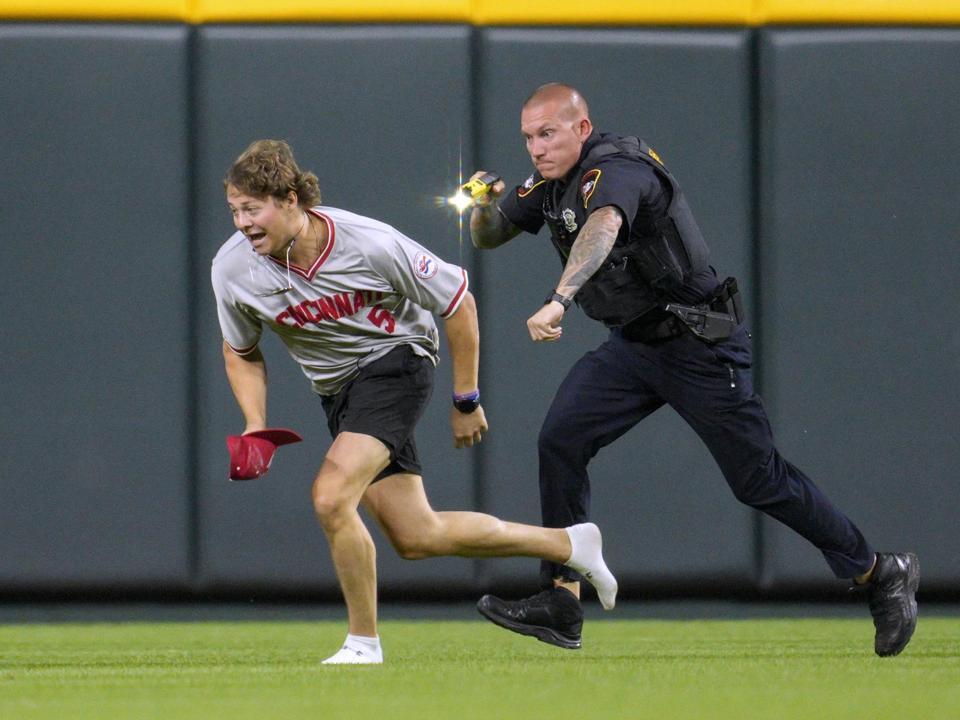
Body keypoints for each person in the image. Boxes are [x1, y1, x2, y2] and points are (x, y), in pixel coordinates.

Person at [468, 83, 919, 657]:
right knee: (561, 439)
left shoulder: (618, 168)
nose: (536, 148)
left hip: (698, 344)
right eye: (529, 137)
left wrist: (560, 298)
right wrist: (482, 203)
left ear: (582, 128)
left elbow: (604, 226)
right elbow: (490, 235)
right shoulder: (551, 181)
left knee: (758, 480)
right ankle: (562, 598)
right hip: (634, 346)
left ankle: (879, 572)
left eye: (548, 133)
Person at [211, 139, 617, 664]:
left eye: (253, 208)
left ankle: (362, 643)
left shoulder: (369, 243)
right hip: (338, 392)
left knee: (331, 498)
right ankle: (569, 544)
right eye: (235, 210)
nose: (242, 223)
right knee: (416, 534)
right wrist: (255, 423)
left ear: (291, 200)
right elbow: (240, 350)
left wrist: (466, 399)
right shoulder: (233, 268)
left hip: (396, 363)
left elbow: (459, 303)